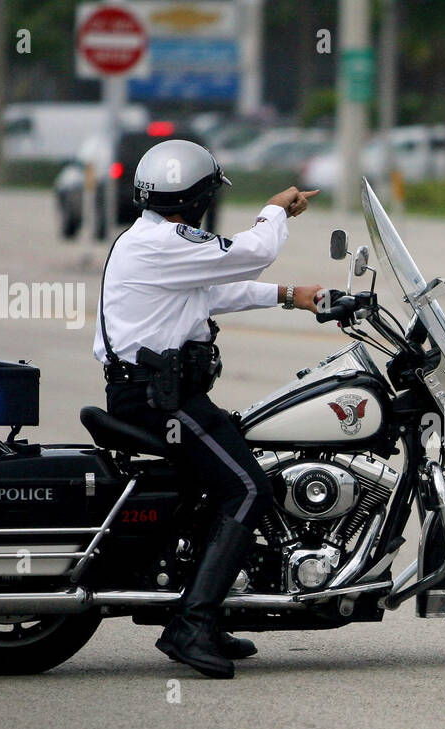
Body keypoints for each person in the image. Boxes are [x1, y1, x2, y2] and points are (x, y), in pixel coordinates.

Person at [94, 138, 321, 679]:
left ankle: (209, 610)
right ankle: (189, 624)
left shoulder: (152, 242)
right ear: (196, 200)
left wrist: (295, 296)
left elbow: (214, 293)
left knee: (225, 478)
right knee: (246, 487)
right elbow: (250, 253)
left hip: (158, 393)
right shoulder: (165, 242)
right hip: (159, 400)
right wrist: (275, 208)